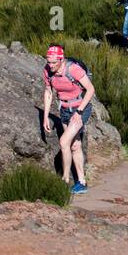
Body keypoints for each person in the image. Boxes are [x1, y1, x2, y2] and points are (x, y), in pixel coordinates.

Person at [42, 44, 95, 194]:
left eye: (54, 62)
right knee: (74, 146)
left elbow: (90, 89)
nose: (50, 65)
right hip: (65, 110)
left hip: (80, 108)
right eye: (48, 62)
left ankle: (65, 179)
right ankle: (82, 182)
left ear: (61, 59)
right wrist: (46, 116)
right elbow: (48, 92)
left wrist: (79, 112)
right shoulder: (47, 71)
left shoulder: (73, 69)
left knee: (64, 141)